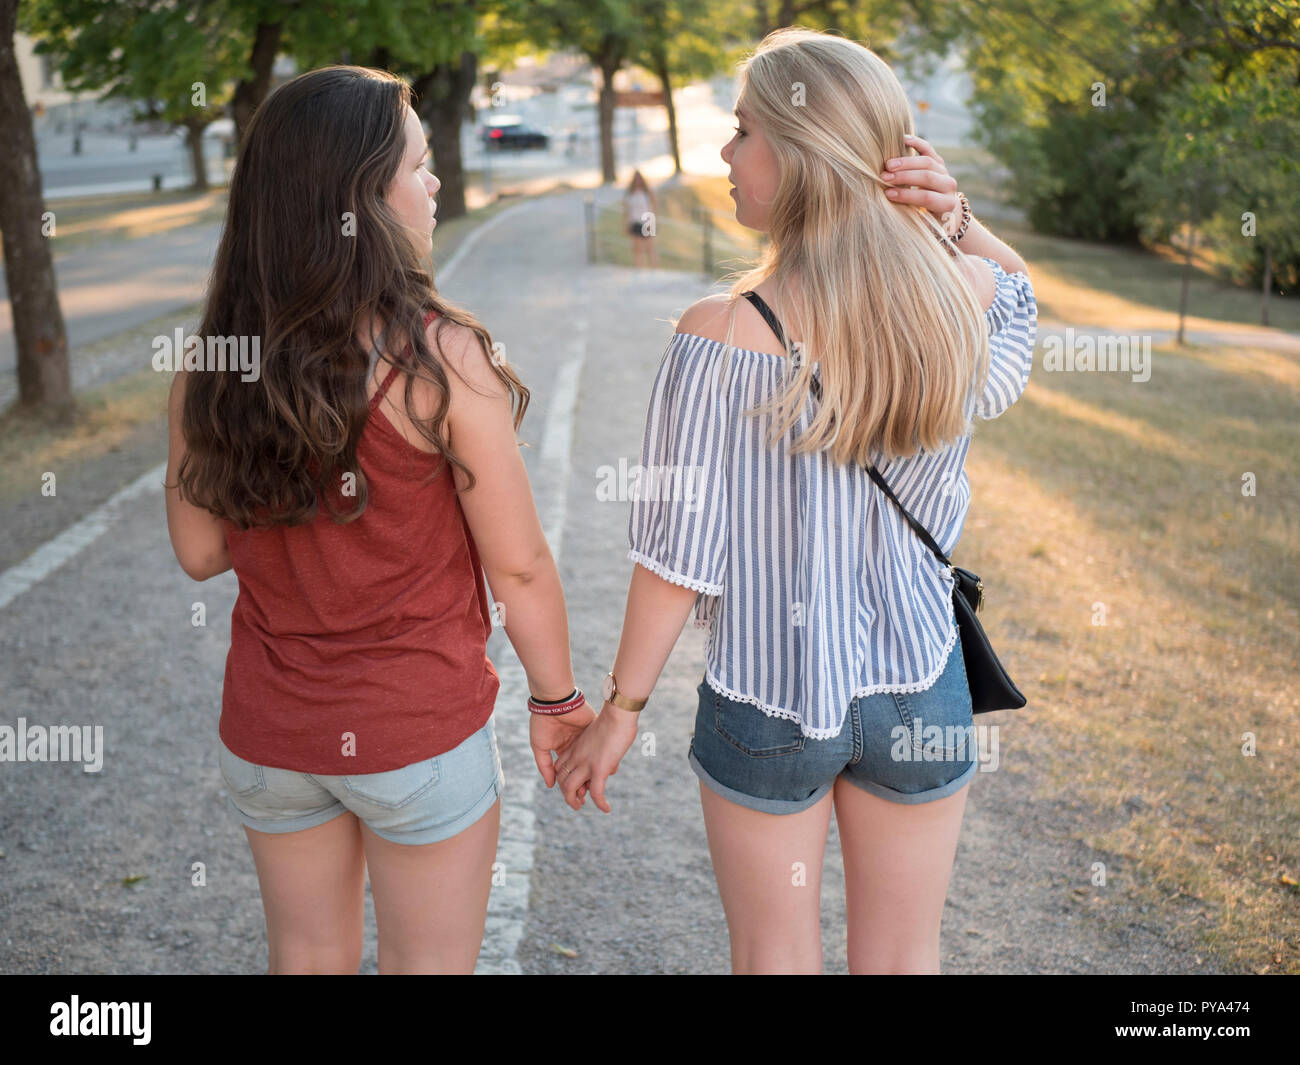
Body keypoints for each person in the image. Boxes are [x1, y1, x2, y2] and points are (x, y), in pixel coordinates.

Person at [554, 27, 1037, 974]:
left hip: (770, 694)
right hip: (919, 678)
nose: (726, 155)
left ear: (804, 154)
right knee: (905, 957)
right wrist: (959, 217)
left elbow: (674, 559)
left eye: (742, 132)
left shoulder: (720, 334)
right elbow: (1020, 291)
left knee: (773, 955)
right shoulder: (961, 302)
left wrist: (622, 709)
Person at [163, 66, 596, 974]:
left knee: (307, 956)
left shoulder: (213, 363)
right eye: (420, 165)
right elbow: (517, 568)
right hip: (417, 734)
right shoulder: (440, 358)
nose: (435, 183)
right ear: (359, 196)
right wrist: (556, 700)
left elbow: (201, 553)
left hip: (273, 735)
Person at [623, 169, 658, 268]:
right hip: (635, 222)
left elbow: (652, 208)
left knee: (650, 248)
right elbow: (627, 211)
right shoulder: (630, 194)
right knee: (637, 249)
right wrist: (627, 224)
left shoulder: (647, 193)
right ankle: (639, 268)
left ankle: (654, 269)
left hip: (647, 222)